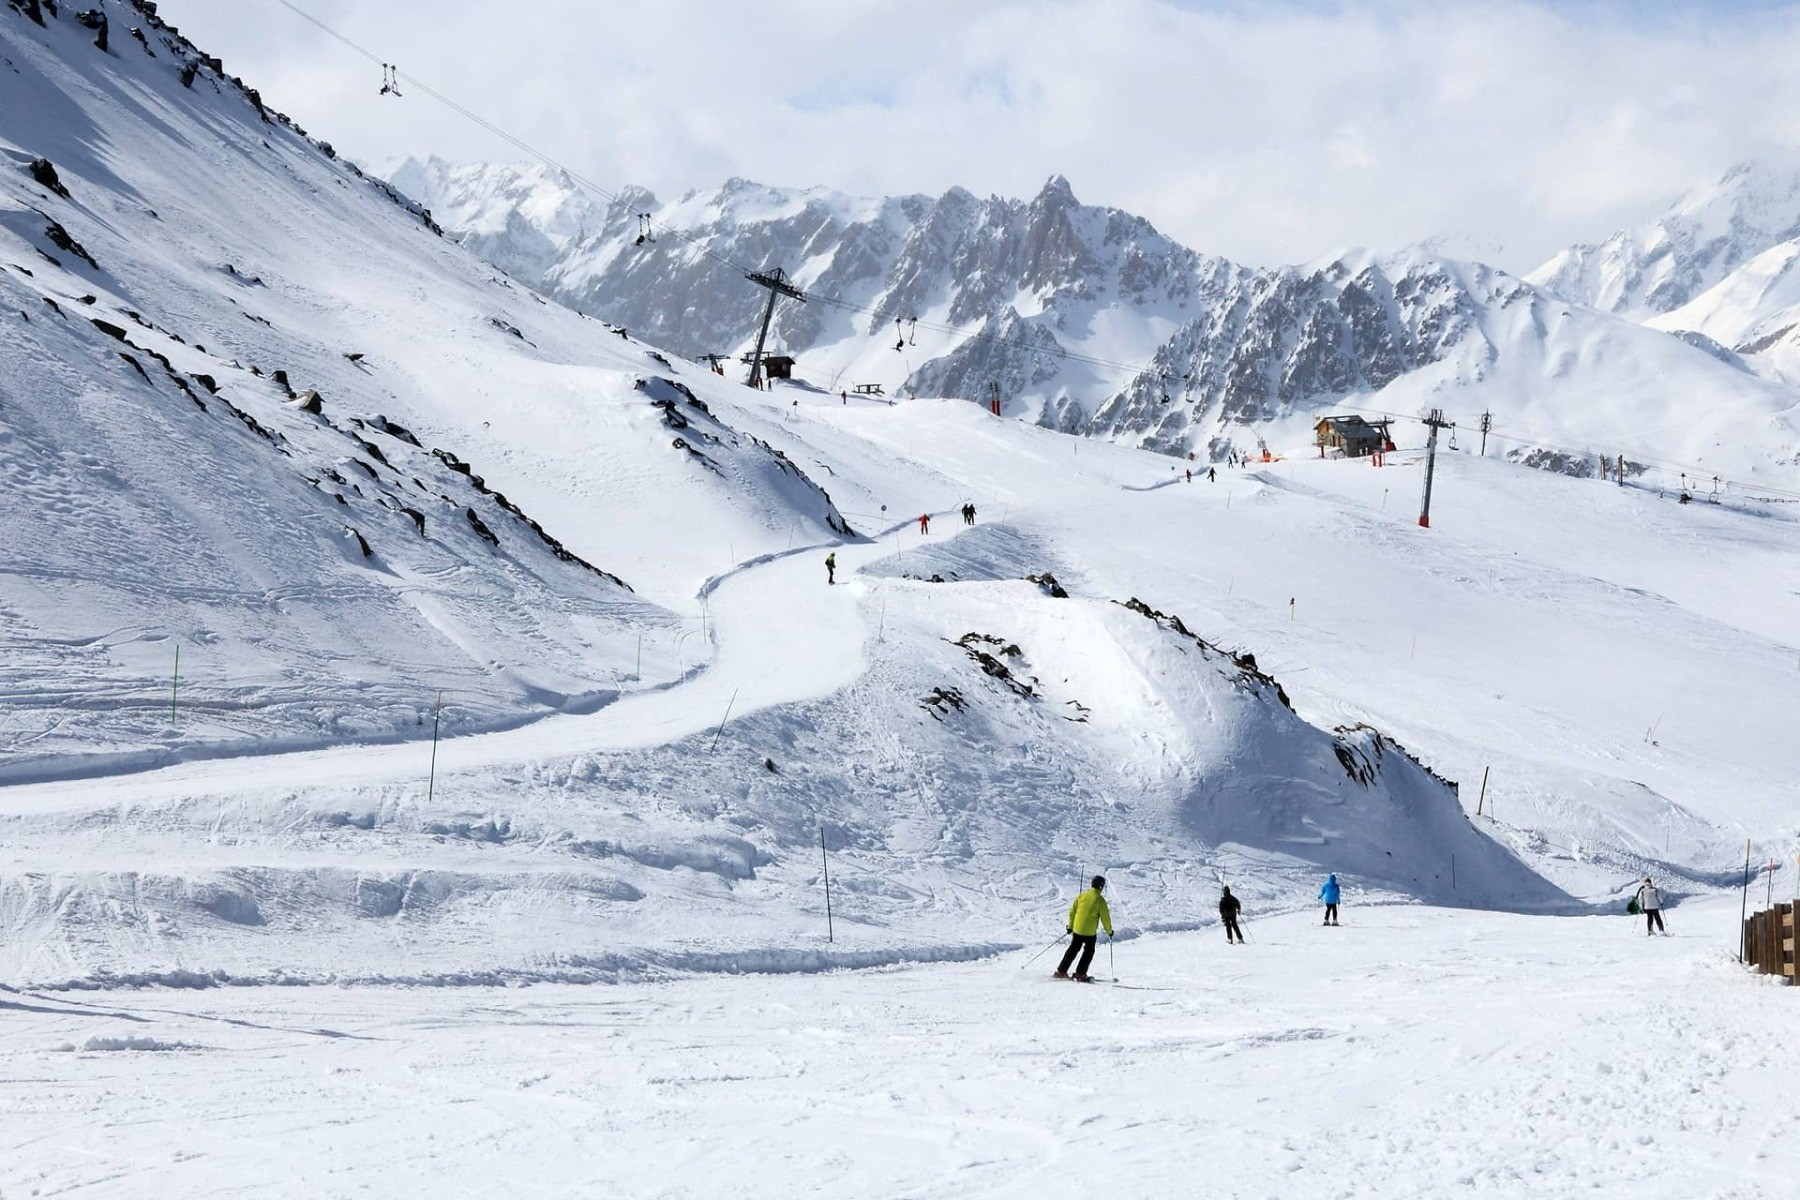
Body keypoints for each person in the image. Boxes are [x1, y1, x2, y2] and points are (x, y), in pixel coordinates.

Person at [1054, 875, 1113, 982]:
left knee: (1073, 949)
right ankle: (1080, 974)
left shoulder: (1082, 896)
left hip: (1077, 929)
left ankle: (1061, 971)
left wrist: (1070, 926)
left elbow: (1072, 912)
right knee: (1089, 951)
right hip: (1089, 932)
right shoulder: (1100, 900)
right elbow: (1105, 918)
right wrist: (1109, 931)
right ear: (1100, 887)